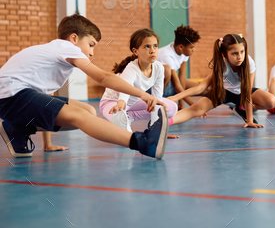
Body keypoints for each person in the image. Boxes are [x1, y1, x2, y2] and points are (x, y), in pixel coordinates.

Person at [0, 14, 168, 159]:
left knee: (89, 111)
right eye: (91, 44)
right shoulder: (66, 48)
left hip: (15, 96)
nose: (92, 53)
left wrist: (47, 144)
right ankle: (143, 143)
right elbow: (103, 78)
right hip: (10, 94)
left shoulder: (52, 53)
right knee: (79, 115)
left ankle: (15, 127)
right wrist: (142, 94)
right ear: (74, 38)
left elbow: (43, 102)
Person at [167, 34, 275, 128]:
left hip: (242, 93)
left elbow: (247, 91)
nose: (240, 56)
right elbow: (201, 87)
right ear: (225, 54)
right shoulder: (222, 65)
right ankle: (166, 122)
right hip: (223, 92)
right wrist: (176, 97)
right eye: (235, 53)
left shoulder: (249, 63)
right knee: (196, 109)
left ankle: (240, 108)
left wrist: (249, 120)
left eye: (242, 52)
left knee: (272, 101)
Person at [100, 28, 179, 139]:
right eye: (147, 47)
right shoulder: (131, 68)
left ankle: (129, 117)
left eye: (155, 46)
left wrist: (157, 132)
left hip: (134, 103)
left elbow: (156, 98)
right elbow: (125, 88)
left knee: (170, 107)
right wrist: (121, 102)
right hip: (113, 103)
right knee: (123, 126)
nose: (152, 50)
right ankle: (126, 124)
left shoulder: (159, 68)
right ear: (135, 51)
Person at [158, 25, 201, 109]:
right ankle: (159, 100)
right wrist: (194, 106)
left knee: (202, 88)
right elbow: (177, 85)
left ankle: (231, 102)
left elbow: (182, 76)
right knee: (168, 72)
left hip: (172, 84)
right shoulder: (167, 55)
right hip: (161, 87)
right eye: (191, 47)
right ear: (181, 47)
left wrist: (181, 104)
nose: (193, 50)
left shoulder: (184, 53)